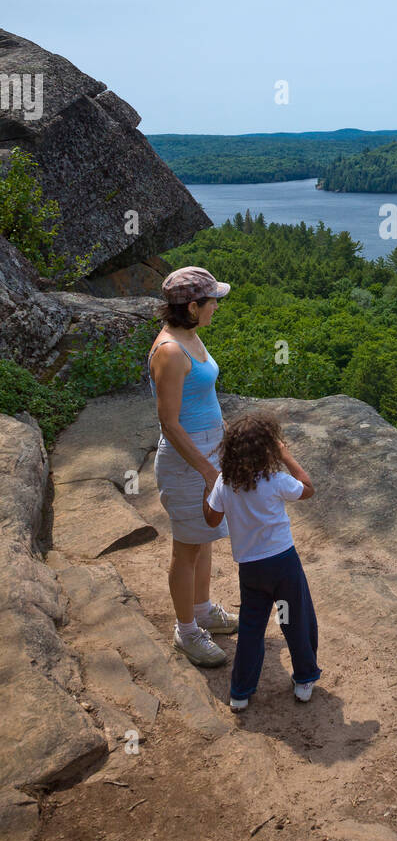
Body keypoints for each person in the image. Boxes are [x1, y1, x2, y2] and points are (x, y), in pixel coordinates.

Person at [147, 266, 239, 668]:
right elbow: (170, 422)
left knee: (203, 540)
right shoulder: (170, 351)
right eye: (212, 300)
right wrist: (206, 471)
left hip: (208, 451)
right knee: (186, 548)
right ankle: (186, 632)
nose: (216, 306)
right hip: (187, 461)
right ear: (192, 306)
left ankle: (202, 612)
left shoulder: (190, 336)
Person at [202, 411, 321, 711]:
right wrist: (287, 456)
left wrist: (210, 486)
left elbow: (211, 519)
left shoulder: (225, 484)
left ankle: (240, 692)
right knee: (292, 619)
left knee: (252, 628)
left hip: (251, 569)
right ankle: (304, 678)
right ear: (267, 450)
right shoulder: (275, 479)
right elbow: (307, 488)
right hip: (283, 564)